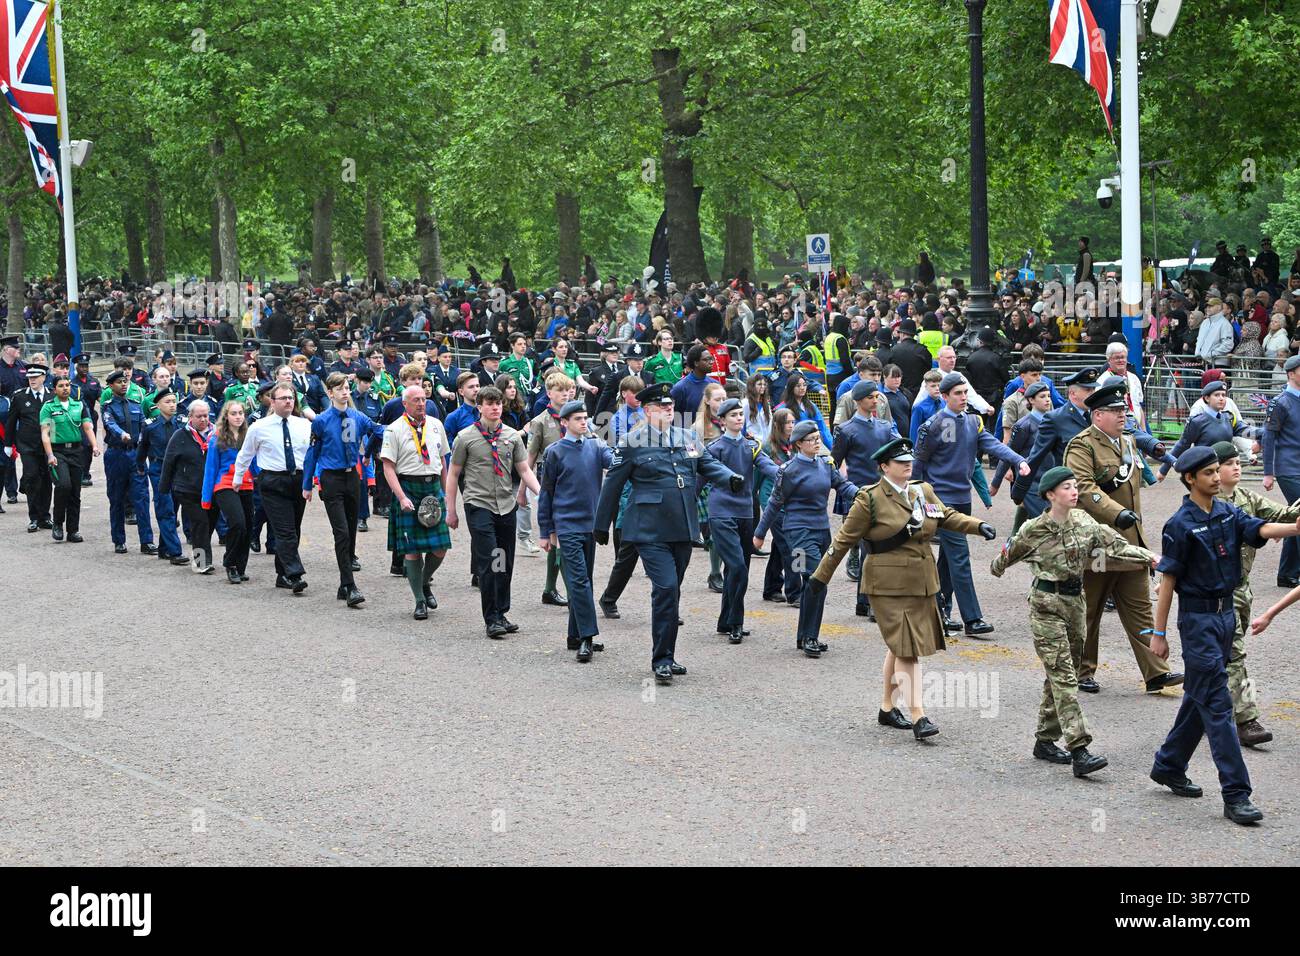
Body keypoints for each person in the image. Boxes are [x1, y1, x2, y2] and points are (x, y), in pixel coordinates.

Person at [1148, 446, 1300, 826]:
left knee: (1200, 695)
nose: (1218, 477)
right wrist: (1159, 633)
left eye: (1219, 471)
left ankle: (1168, 764)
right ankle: (1237, 794)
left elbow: (1259, 529)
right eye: (1209, 473)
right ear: (1190, 479)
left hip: (1226, 616)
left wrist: (1296, 528)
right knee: (1218, 707)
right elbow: (1168, 582)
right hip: (1198, 621)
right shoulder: (1179, 525)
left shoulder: (1227, 511)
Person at [804, 438, 993, 739]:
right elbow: (843, 540)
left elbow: (944, 516)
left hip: (921, 580)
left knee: (899, 644)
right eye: (900, 462)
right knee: (907, 647)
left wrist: (977, 525)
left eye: (909, 460)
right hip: (887, 583)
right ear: (883, 467)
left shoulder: (922, 490)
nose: (908, 464)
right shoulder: (871, 499)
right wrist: (819, 577)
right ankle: (919, 715)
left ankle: (887, 707)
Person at [991, 466, 1156, 777]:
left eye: (1074, 486)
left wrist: (1150, 557)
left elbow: (1117, 546)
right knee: (1066, 676)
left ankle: (1044, 740)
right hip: (1045, 606)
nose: (1073, 491)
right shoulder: (1033, 529)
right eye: (1066, 487)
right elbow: (1002, 561)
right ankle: (1079, 749)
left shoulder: (1084, 521)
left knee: (1059, 673)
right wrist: (1001, 562)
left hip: (1075, 604)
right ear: (1051, 495)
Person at [594, 382, 741, 684]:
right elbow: (613, 484)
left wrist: (731, 479)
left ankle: (669, 655)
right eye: (662, 406)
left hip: (682, 527)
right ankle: (660, 659)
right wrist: (600, 524)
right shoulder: (632, 441)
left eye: (671, 406)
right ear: (648, 411)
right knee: (665, 588)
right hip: (648, 529)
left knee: (672, 593)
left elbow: (708, 464)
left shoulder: (687, 436)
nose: (669, 410)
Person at [1063, 381, 1182, 694]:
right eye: (1115, 411)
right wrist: (1116, 513)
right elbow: (1084, 489)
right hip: (1098, 542)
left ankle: (1156, 672)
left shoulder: (1127, 443)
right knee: (1089, 609)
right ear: (1097, 415)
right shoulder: (1082, 445)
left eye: (1123, 410)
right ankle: (1080, 670)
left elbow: (1137, 484)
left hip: (1129, 540)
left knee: (1140, 607)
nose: (1122, 416)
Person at [914, 374, 1028, 636]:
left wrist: (1018, 460)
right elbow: (918, 464)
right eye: (957, 393)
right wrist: (917, 500)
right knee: (960, 556)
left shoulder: (973, 421)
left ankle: (939, 610)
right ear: (944, 396)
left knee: (947, 559)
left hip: (962, 498)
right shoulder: (933, 425)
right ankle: (972, 619)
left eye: (965, 392)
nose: (964, 397)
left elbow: (993, 445)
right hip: (940, 501)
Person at [1209, 440, 1300, 747]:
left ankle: (1209, 704)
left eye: (1239, 462)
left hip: (1242, 590)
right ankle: (1246, 719)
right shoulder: (1207, 504)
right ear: (1214, 470)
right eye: (1230, 463)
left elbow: (1285, 515)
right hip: (1217, 593)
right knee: (1235, 657)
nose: (1238, 466)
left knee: (1223, 658)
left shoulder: (1246, 497)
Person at [753, 420, 859, 657]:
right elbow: (774, 504)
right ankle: (810, 636)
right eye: (811, 439)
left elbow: (843, 485)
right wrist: (760, 534)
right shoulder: (788, 471)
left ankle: (805, 636)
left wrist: (864, 495)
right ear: (799, 444)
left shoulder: (824, 465)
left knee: (818, 584)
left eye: (818, 438)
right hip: (798, 535)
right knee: (812, 581)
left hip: (822, 532)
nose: (816, 442)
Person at [445, 386, 542, 638]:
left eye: (498, 403)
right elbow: (453, 474)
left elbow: (524, 470)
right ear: (479, 407)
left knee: (504, 561)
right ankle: (491, 619)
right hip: (479, 505)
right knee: (489, 561)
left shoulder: (511, 436)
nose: (495, 407)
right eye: (489, 403)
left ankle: (501, 611)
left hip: (505, 505)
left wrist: (542, 494)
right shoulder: (465, 437)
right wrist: (450, 510)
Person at [537, 400, 615, 661]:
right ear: (564, 422)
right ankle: (587, 638)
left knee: (586, 581)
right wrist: (545, 529)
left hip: (590, 524)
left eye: (586, 418)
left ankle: (574, 634)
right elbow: (546, 493)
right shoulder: (554, 452)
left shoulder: (596, 445)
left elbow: (614, 462)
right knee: (579, 580)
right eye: (578, 419)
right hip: (566, 524)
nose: (584, 422)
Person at [302, 373, 386, 608]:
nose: (344, 392)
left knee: (351, 530)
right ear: (330, 393)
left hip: (353, 478)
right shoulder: (321, 420)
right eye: (338, 389)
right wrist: (307, 484)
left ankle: (343, 582)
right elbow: (312, 454)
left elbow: (377, 431)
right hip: (331, 479)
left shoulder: (358, 416)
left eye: (346, 387)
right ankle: (350, 586)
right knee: (341, 532)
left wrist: (373, 448)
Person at [707, 398, 778, 643]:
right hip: (721, 512)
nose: (739, 418)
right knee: (737, 567)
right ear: (722, 420)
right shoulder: (715, 447)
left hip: (745, 513)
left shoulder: (751, 446)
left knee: (739, 569)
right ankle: (736, 622)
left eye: (741, 414)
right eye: (734, 415)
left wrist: (789, 475)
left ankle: (725, 620)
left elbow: (769, 468)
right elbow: (699, 481)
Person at [234, 383, 314, 594]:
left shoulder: (304, 425)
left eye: (291, 398)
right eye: (283, 398)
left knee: (294, 530)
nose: (288, 401)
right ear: (273, 401)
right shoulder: (259, 426)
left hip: (297, 480)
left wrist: (314, 479)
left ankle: (282, 574)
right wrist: (238, 478)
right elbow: (245, 454)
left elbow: (312, 454)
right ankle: (294, 574)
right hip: (272, 481)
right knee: (285, 529)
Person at [381, 384, 453, 620]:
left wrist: (447, 495)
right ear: (405, 403)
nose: (421, 404)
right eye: (416, 400)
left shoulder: (435, 425)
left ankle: (423, 582)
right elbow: (388, 467)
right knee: (412, 550)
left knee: (440, 548)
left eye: (423, 399)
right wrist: (401, 496)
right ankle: (419, 600)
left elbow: (443, 461)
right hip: (409, 487)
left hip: (433, 487)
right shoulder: (394, 429)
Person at [831, 380, 898, 614]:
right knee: (869, 548)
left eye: (877, 397)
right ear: (859, 401)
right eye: (871, 397)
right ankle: (868, 601)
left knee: (875, 548)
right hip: (859, 496)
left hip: (882, 492)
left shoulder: (884, 426)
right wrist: (846, 489)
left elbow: (898, 453)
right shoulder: (846, 430)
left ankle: (865, 600)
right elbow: (833, 464)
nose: (875, 400)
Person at [522, 372, 575, 600]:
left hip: (573, 478)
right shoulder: (540, 421)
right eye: (560, 390)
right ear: (549, 394)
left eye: (568, 390)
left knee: (559, 535)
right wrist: (522, 491)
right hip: (550, 478)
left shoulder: (576, 417)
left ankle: (549, 589)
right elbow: (530, 458)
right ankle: (573, 591)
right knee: (558, 534)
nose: (565, 394)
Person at [100, 369, 156, 555]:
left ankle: (146, 541)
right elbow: (110, 424)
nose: (123, 384)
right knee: (116, 498)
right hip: (116, 455)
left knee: (141, 497)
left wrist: (141, 438)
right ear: (111, 386)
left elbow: (142, 424)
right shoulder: (108, 406)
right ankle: (119, 540)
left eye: (125, 381)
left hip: (136, 455)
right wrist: (121, 434)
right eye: (118, 382)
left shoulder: (135, 404)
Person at [39, 372, 98, 543]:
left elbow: (87, 427)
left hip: (76, 451)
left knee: (75, 492)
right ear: (54, 389)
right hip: (57, 452)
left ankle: (73, 530)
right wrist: (49, 454)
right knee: (63, 485)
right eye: (61, 386)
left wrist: (94, 445)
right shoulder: (49, 407)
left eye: (67, 385)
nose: (65, 389)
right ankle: (58, 523)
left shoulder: (78, 405)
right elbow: (45, 433)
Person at [1158, 380, 1262, 477]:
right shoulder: (1197, 421)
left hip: (1224, 471)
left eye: (1223, 395)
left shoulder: (1229, 418)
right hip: (1205, 470)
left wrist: (1270, 432)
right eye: (1217, 395)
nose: (1221, 398)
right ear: (1207, 398)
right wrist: (1163, 470)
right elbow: (1182, 445)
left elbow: (1248, 431)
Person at [202, 400, 256, 583]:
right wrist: (206, 498)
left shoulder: (249, 435)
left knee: (248, 527)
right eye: (234, 413)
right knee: (238, 523)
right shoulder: (217, 437)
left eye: (241, 413)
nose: (238, 416)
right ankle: (230, 563)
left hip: (246, 484)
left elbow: (255, 464)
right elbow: (210, 468)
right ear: (226, 416)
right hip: (224, 484)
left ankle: (240, 566)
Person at [160, 399, 215, 573]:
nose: (203, 420)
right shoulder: (180, 436)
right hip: (187, 489)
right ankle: (201, 562)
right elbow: (169, 462)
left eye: (206, 416)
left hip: (212, 489)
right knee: (200, 524)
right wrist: (164, 488)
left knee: (208, 524)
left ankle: (203, 557)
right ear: (190, 417)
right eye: (199, 416)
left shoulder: (216, 434)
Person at [135, 387, 187, 563]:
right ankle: (175, 552)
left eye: (174, 401)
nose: (172, 405)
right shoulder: (150, 426)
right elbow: (142, 448)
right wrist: (140, 465)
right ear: (158, 405)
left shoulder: (181, 423)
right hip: (159, 469)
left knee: (173, 508)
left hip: (178, 471)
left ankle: (164, 548)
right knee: (165, 510)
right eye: (168, 402)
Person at [991, 381, 1052, 530]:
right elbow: (1009, 454)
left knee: (1024, 524)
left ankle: (1011, 549)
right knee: (1044, 524)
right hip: (1030, 482)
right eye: (1042, 396)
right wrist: (996, 483)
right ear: (1031, 400)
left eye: (1049, 396)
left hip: (1048, 479)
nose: (1048, 400)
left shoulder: (1052, 421)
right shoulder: (1024, 425)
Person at [1262, 354, 1300, 588]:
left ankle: (1287, 573)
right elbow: (1269, 436)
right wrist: (1268, 472)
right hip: (1288, 468)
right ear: (1291, 374)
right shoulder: (1281, 402)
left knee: (1296, 519)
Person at [7, 364, 54, 531]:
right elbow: (11, 422)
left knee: (47, 480)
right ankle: (33, 517)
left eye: (35, 376)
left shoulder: (52, 395)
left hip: (47, 447)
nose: (32, 379)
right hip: (27, 446)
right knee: (32, 478)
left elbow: (55, 423)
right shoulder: (19, 397)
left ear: (43, 377)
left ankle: (45, 517)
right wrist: (8, 444)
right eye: (29, 377)